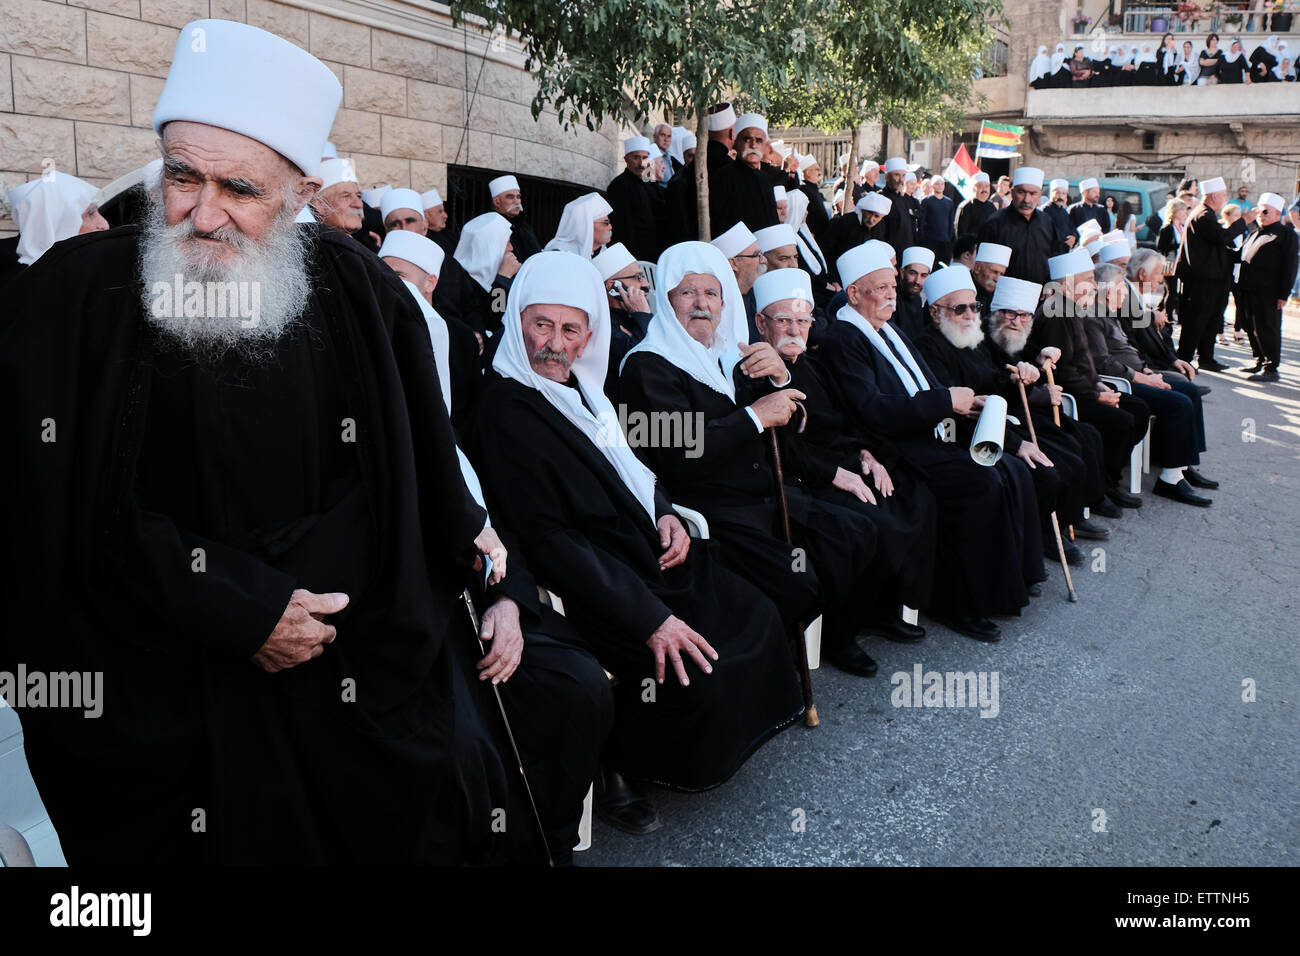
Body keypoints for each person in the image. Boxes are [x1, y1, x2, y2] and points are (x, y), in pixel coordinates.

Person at [0, 17, 611, 866]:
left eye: (238, 189)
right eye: (182, 177)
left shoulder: (365, 296)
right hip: (163, 678)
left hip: (344, 659)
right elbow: (50, 506)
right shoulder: (73, 300)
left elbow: (418, 465)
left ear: (296, 192)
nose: (202, 214)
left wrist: (477, 547)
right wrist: (234, 606)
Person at [472, 250, 802, 830]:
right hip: (595, 582)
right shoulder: (506, 407)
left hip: (648, 547)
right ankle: (619, 761)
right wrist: (649, 617)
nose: (554, 343)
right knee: (697, 668)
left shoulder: (581, 387)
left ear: (587, 336)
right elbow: (547, 540)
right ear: (517, 319)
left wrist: (665, 511)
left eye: (570, 328)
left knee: (757, 610)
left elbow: (634, 466)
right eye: (540, 324)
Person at [618, 243, 886, 677]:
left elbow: (787, 423)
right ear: (666, 302)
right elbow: (679, 449)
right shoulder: (647, 366)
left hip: (770, 493)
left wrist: (780, 377)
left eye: (712, 293)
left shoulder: (729, 357)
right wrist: (754, 416)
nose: (701, 303)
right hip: (717, 509)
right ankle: (779, 660)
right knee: (798, 578)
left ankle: (835, 636)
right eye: (687, 293)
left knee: (853, 532)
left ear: (725, 303)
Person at [821, 245, 1046, 642]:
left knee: (995, 473)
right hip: (890, 447)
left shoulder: (886, 328)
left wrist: (963, 404)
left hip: (925, 433)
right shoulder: (845, 337)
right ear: (854, 294)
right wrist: (945, 401)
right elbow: (871, 407)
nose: (892, 296)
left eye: (892, 287)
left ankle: (998, 586)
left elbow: (926, 384)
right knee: (979, 484)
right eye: (881, 289)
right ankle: (958, 602)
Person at [745, 268, 937, 640]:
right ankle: (843, 632)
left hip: (845, 460)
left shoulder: (814, 365)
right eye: (783, 320)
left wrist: (867, 454)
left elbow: (847, 418)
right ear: (760, 323)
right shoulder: (753, 374)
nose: (794, 329)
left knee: (915, 495)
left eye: (803, 320)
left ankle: (887, 606)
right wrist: (835, 474)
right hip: (801, 477)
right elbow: (781, 447)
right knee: (869, 522)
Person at [914, 267, 1092, 567]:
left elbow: (998, 375)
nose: (971, 315)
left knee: (1066, 455)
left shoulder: (974, 337)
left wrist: (1020, 376)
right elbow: (962, 409)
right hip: (967, 434)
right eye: (961, 309)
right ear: (935, 312)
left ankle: (1049, 531)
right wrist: (1014, 443)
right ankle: (1032, 544)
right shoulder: (928, 347)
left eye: (974, 306)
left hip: (999, 420)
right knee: (1043, 472)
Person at [1026, 249, 1149, 510]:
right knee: (1122, 420)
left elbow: (1084, 362)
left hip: (1085, 388)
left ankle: (1107, 479)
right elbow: (1063, 371)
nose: (1094, 286)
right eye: (1088, 279)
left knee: (1137, 409)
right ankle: (1102, 487)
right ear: (1069, 283)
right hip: (1068, 396)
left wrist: (1099, 384)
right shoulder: (1056, 312)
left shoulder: (1069, 308)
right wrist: (1096, 395)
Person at [1089, 262, 1216, 505]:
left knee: (1189, 391)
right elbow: (1103, 363)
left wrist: (1148, 370)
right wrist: (1146, 378)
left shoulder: (1109, 312)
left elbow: (1128, 351)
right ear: (1107, 292)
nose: (1125, 294)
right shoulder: (1094, 316)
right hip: (1122, 382)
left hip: (1139, 373)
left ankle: (1182, 465)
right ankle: (1169, 479)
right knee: (1178, 403)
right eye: (1120, 289)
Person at [1175, 175, 1237, 370]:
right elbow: (1222, 237)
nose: (1226, 198)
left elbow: (1215, 246)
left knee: (1211, 319)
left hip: (1211, 279)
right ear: (1212, 197)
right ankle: (1184, 359)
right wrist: (1243, 222)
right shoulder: (1203, 215)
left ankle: (1206, 358)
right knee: (1197, 320)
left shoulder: (1206, 214)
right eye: (1223, 195)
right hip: (1202, 281)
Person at [1236, 192, 1298, 382]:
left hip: (1268, 292)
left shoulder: (1286, 235)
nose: (1261, 215)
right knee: (1249, 326)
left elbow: (1290, 267)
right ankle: (1259, 360)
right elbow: (1240, 255)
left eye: (1265, 212)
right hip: (1247, 289)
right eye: (1260, 211)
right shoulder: (1255, 232)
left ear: (1278, 213)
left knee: (1267, 328)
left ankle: (1271, 367)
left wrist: (1283, 294)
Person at [438, 211, 520, 341]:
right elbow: (497, 323)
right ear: (491, 247)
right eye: (507, 242)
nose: (511, 248)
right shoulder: (460, 282)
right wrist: (502, 280)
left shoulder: (490, 276)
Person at [978, 167, 1066, 286]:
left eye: (1033, 193)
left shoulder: (1046, 222)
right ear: (1012, 192)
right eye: (1021, 192)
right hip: (1006, 295)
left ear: (1040, 194)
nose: (1027, 199)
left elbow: (1057, 256)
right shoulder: (995, 223)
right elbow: (984, 269)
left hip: (1041, 295)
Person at [593, 241, 653, 389]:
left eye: (643, 277)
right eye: (638, 278)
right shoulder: (603, 325)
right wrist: (643, 315)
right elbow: (644, 362)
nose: (646, 284)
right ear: (612, 286)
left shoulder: (632, 314)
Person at [711, 113, 780, 234]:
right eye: (747, 139)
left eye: (759, 140)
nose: (753, 145)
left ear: (765, 146)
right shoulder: (723, 176)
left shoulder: (766, 178)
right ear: (736, 143)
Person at [606, 137, 661, 262]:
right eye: (636, 157)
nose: (641, 163)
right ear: (626, 159)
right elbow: (622, 227)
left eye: (645, 158)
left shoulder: (649, 183)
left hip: (652, 252)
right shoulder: (619, 185)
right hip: (632, 255)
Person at [488, 174, 542, 262]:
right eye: (510, 197)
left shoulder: (525, 227)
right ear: (497, 202)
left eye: (518, 197)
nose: (517, 202)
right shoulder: (492, 228)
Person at [545, 192, 613, 257]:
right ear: (586, 227)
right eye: (606, 223)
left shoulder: (603, 252)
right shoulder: (559, 254)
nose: (610, 227)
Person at [880, 157, 918, 258]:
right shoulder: (880, 198)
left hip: (907, 254)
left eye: (903, 175)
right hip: (889, 256)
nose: (901, 180)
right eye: (896, 175)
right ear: (887, 176)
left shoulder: (905, 199)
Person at [894, 246, 934, 340]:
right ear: (902, 272)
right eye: (912, 273)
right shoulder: (892, 297)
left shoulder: (918, 299)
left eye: (923, 275)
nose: (917, 281)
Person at [917, 175, 955, 266]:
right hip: (930, 242)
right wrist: (922, 239)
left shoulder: (949, 202)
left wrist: (949, 239)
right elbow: (921, 222)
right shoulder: (926, 201)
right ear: (932, 186)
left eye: (942, 184)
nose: (940, 186)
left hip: (945, 242)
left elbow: (951, 222)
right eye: (937, 184)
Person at [971, 242, 1012, 314]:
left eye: (1002, 274)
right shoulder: (961, 289)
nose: (997, 279)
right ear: (977, 268)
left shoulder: (999, 299)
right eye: (994, 272)